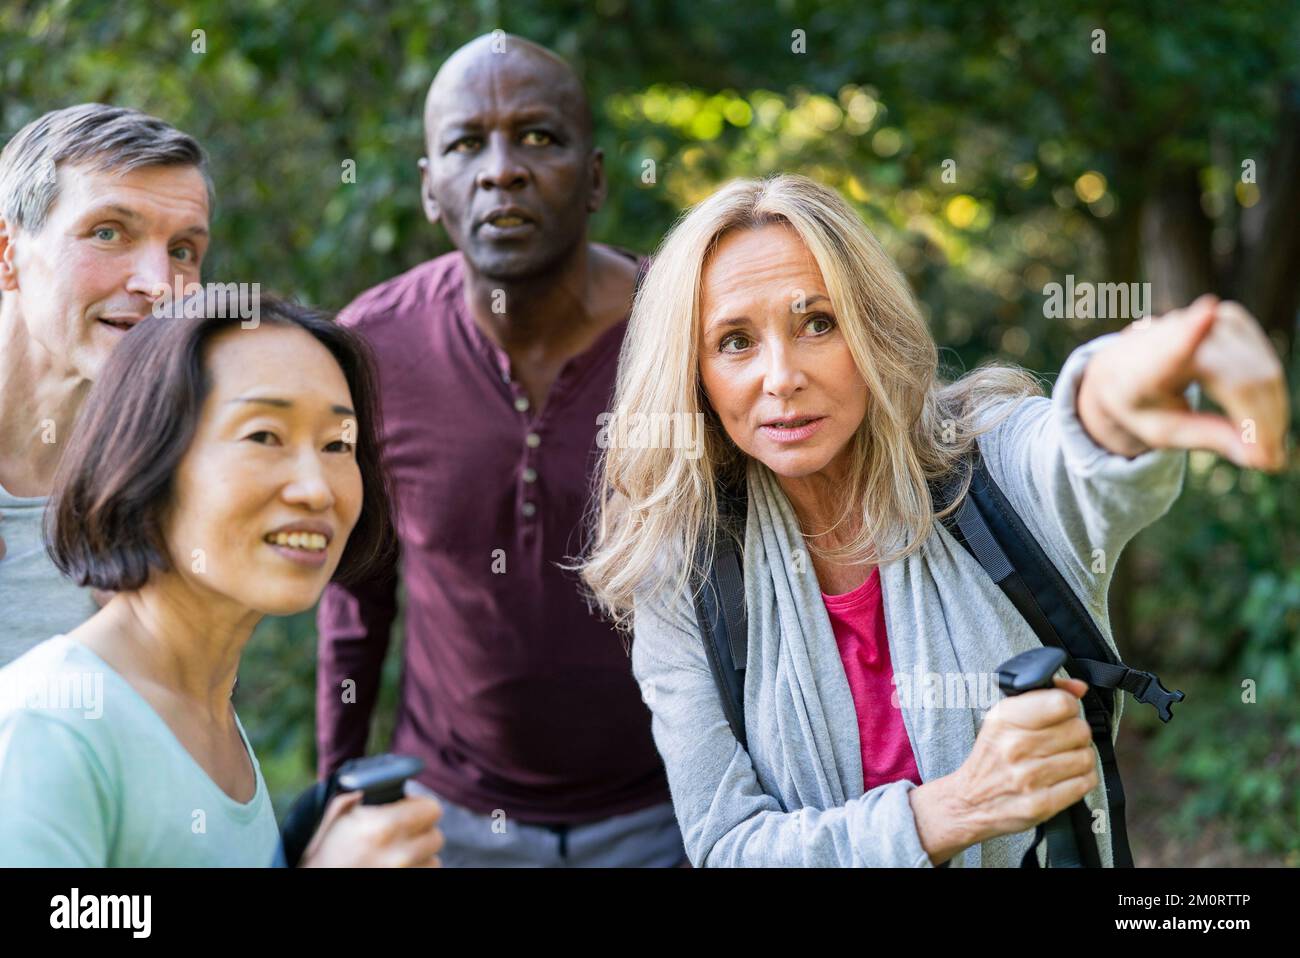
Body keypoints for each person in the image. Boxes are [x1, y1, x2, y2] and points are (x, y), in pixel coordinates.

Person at [575, 173, 1289, 867]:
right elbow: (729, 847)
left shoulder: (989, 467)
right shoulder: (683, 571)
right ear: (693, 373)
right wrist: (958, 809)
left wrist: (1125, 382)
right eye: (735, 341)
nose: (781, 375)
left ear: (870, 330)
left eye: (817, 323)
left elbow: (1082, 444)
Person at [315, 33, 686, 866]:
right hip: (448, 817)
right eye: (464, 144)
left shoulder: (685, 330)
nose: (501, 170)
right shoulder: (372, 349)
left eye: (538, 137)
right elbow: (355, 594)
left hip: (669, 810)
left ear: (593, 179)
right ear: (429, 189)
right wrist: (340, 790)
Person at [0, 298, 444, 867]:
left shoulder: (206, 714)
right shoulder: (50, 729)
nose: (316, 488)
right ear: (142, 460)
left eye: (338, 444)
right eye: (264, 436)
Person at [0, 104, 212, 662]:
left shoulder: (184, 475)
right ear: (7, 253)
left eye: (182, 251)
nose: (159, 284)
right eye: (108, 232)